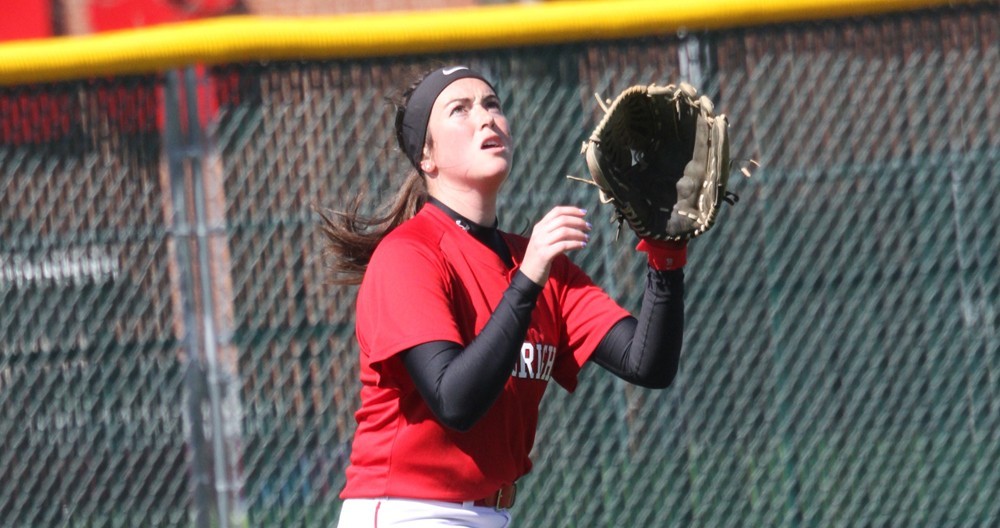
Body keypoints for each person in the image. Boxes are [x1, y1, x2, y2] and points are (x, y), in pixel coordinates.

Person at [322, 65, 686, 528]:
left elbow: (647, 362)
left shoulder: (539, 265)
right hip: (408, 511)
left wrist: (665, 255)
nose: (487, 118)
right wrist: (528, 279)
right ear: (426, 157)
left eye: (492, 104)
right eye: (460, 109)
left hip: (491, 515)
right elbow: (455, 401)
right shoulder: (408, 256)